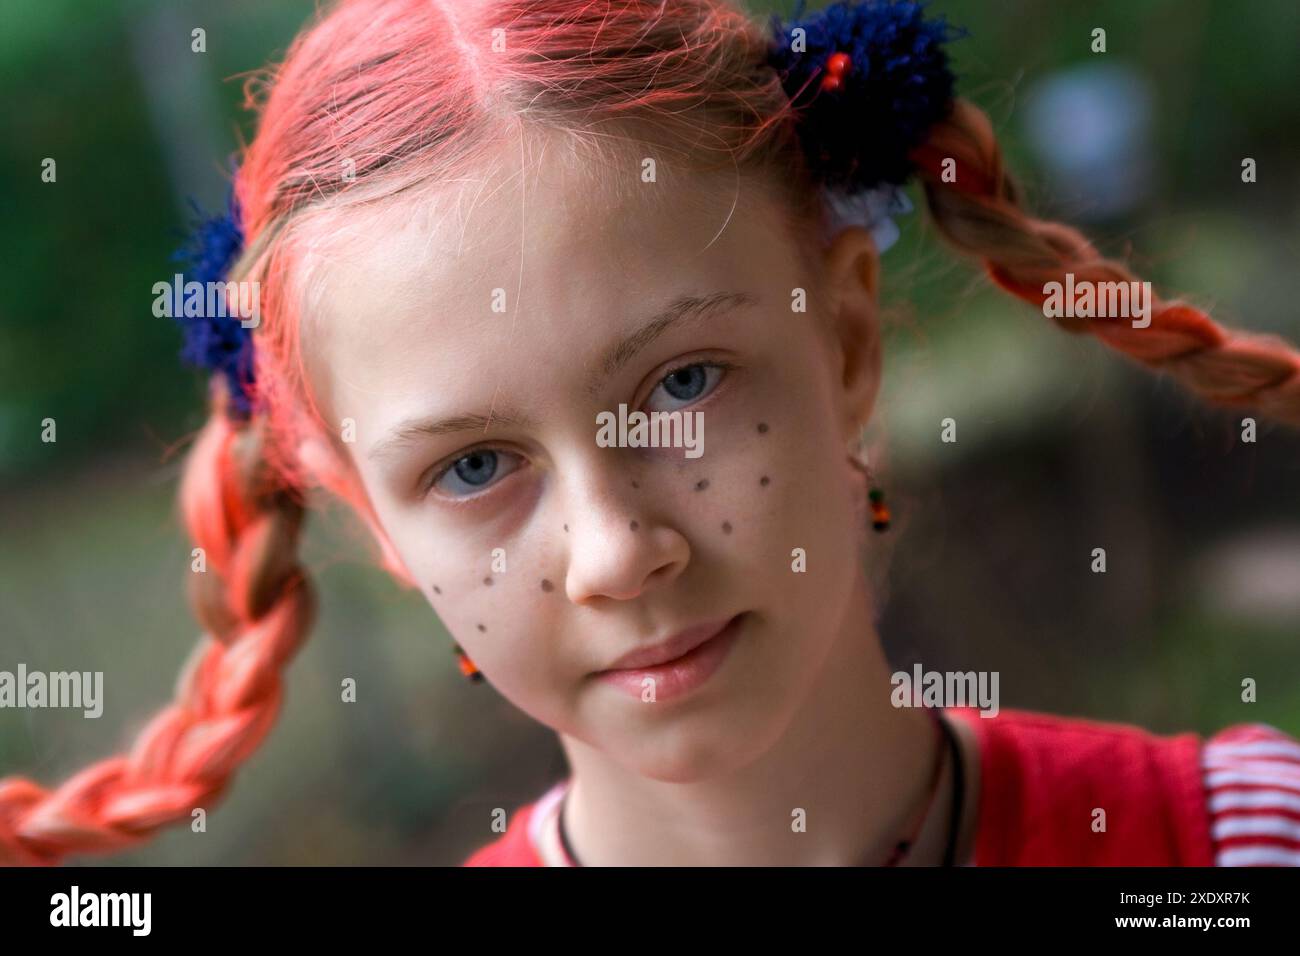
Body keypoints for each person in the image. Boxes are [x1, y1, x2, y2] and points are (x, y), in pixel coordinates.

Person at [3, 0, 1298, 867]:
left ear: (843, 346)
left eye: (684, 384)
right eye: (471, 466)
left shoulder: (1232, 850)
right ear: (367, 514)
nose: (617, 552)